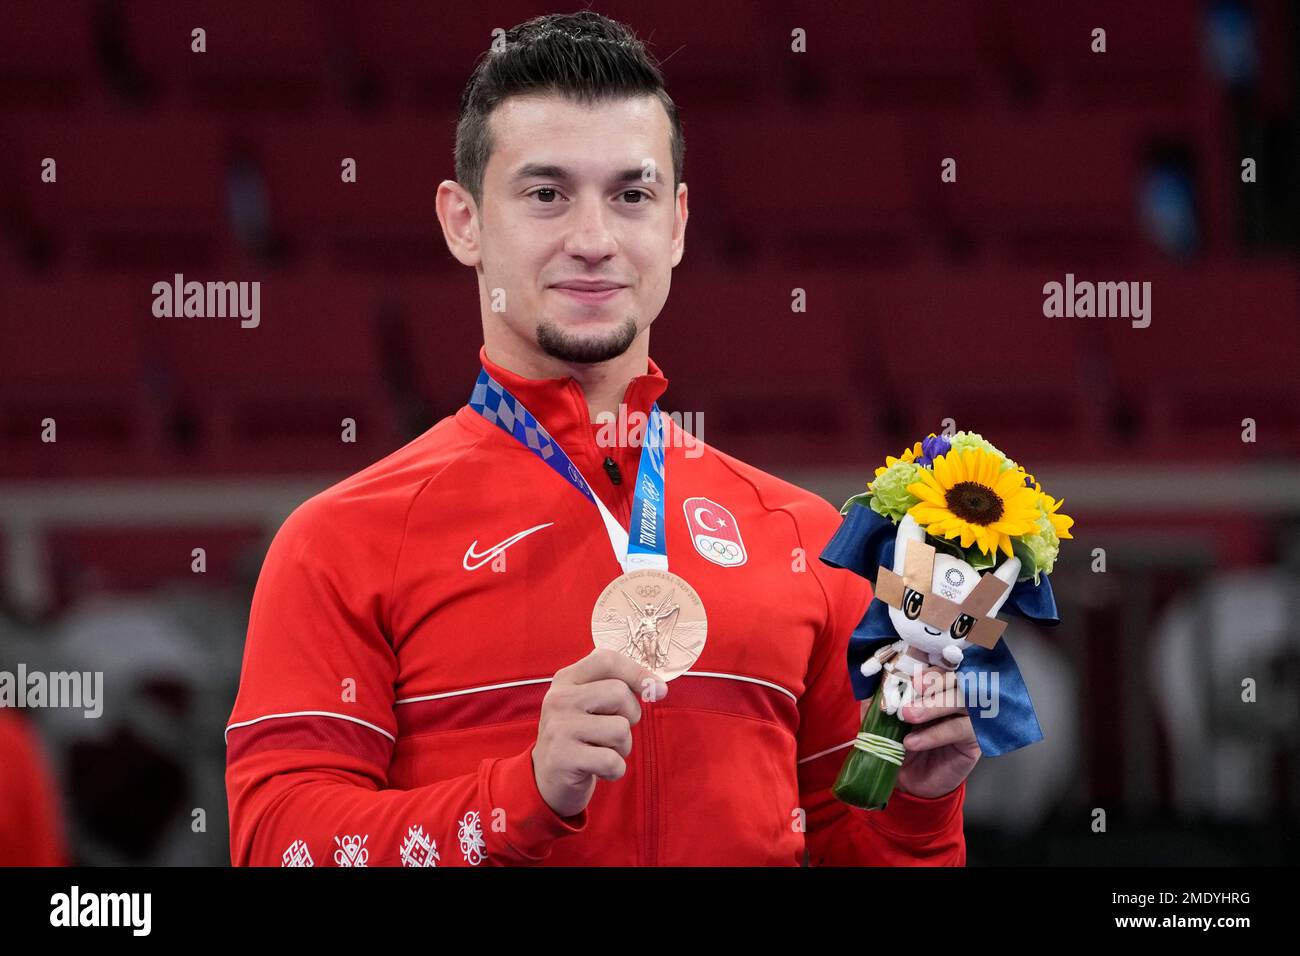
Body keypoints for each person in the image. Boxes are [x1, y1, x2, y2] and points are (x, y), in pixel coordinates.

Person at [225, 11, 977, 867]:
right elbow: (276, 845)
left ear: (678, 223)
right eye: (546, 194)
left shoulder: (810, 543)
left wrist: (919, 808)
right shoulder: (342, 542)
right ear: (463, 221)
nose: (593, 241)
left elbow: (863, 851)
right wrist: (524, 795)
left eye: (632, 195)